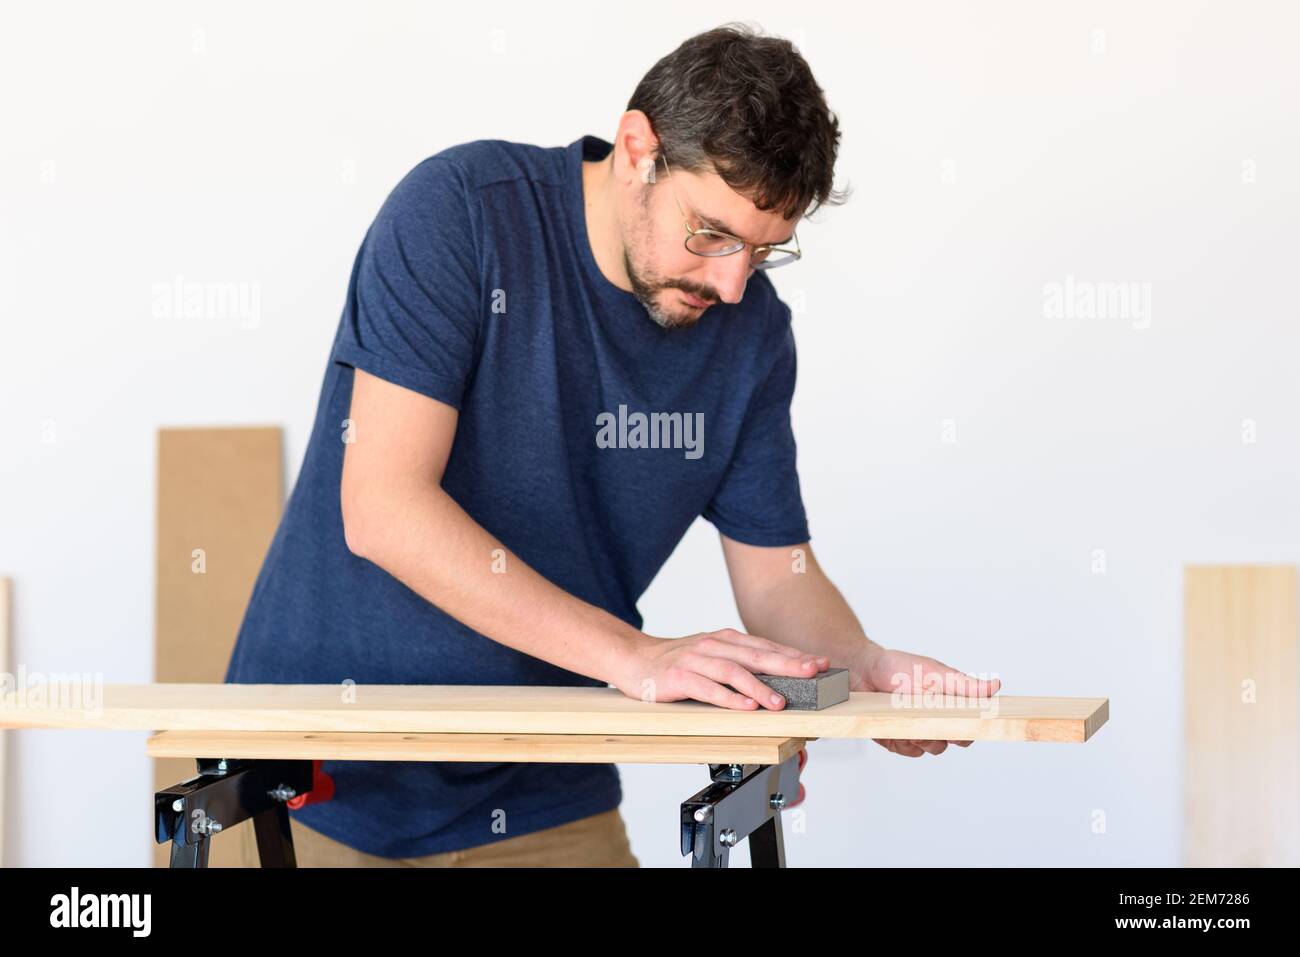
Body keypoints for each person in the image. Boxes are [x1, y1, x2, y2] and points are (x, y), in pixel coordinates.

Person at [225, 22, 1000, 868]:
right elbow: (381, 506)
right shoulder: (461, 213)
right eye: (711, 233)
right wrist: (636, 658)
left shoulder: (751, 336)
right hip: (321, 766)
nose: (732, 282)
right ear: (638, 150)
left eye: (766, 250)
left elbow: (778, 572)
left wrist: (862, 663)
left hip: (542, 777)